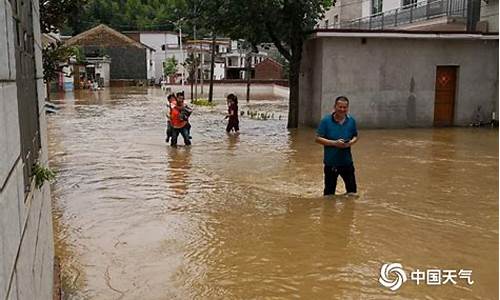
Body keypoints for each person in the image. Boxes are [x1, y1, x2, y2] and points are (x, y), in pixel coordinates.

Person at [315, 96, 358, 196]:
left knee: (352, 194)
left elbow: (355, 136)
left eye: (345, 107)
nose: (342, 110)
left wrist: (350, 143)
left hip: (347, 162)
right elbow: (317, 138)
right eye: (340, 107)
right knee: (329, 195)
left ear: (347, 108)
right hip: (331, 163)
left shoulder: (352, 121)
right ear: (335, 107)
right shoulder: (325, 121)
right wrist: (335, 143)